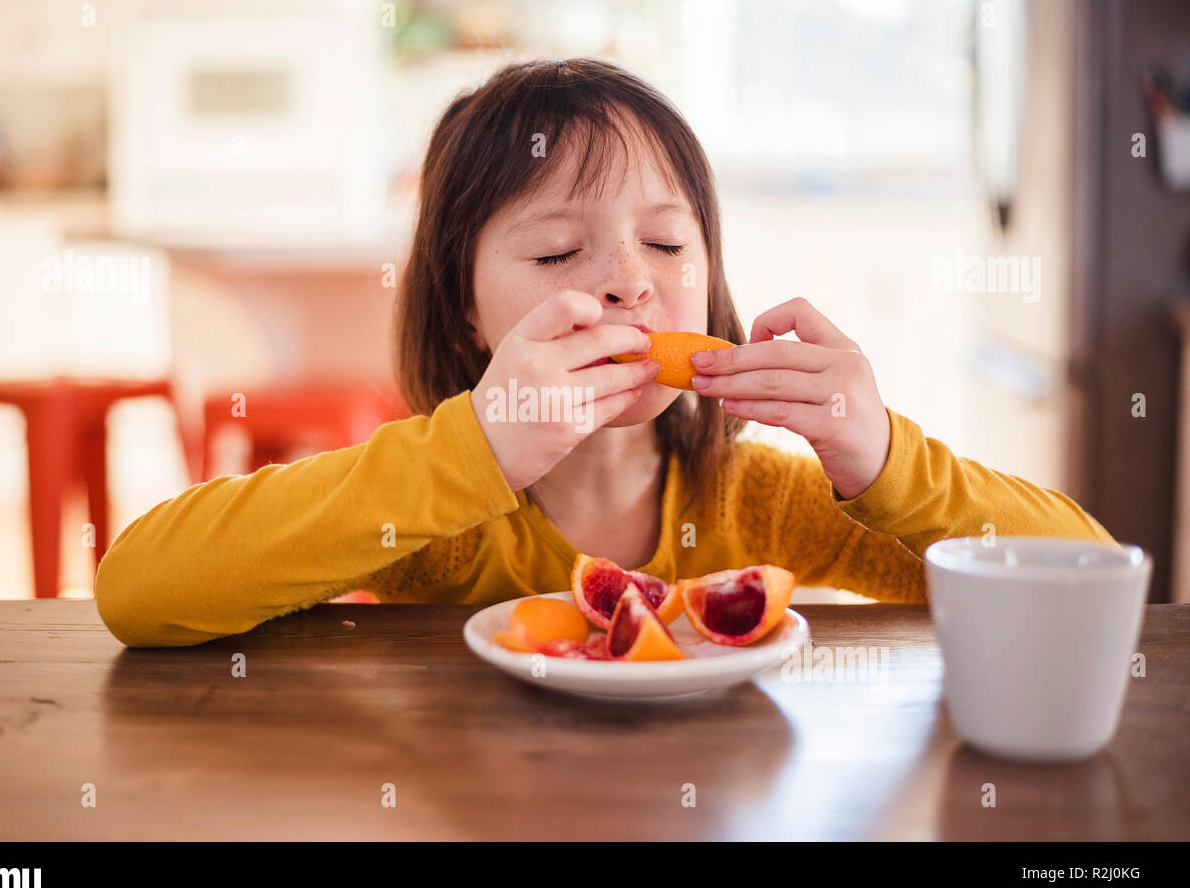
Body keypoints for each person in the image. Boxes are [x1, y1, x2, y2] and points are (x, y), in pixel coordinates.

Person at [94, 59, 1112, 648]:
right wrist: (470, 458)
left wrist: (886, 460)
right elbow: (138, 590)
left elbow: (1090, 579)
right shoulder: (436, 517)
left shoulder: (766, 506)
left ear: (709, 283)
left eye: (667, 243)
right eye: (554, 250)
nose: (631, 281)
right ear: (464, 318)